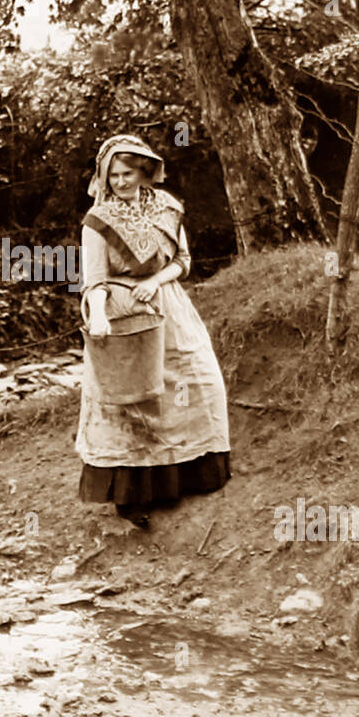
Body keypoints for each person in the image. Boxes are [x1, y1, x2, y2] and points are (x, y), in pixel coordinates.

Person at [77, 134, 231, 528]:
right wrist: (98, 317)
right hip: (124, 316)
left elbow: (183, 260)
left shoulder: (167, 208)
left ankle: (188, 478)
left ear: (145, 171)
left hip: (170, 306)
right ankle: (132, 498)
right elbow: (93, 278)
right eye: (113, 176)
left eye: (128, 173)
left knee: (195, 382)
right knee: (133, 403)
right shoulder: (98, 221)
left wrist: (157, 281)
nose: (121, 182)